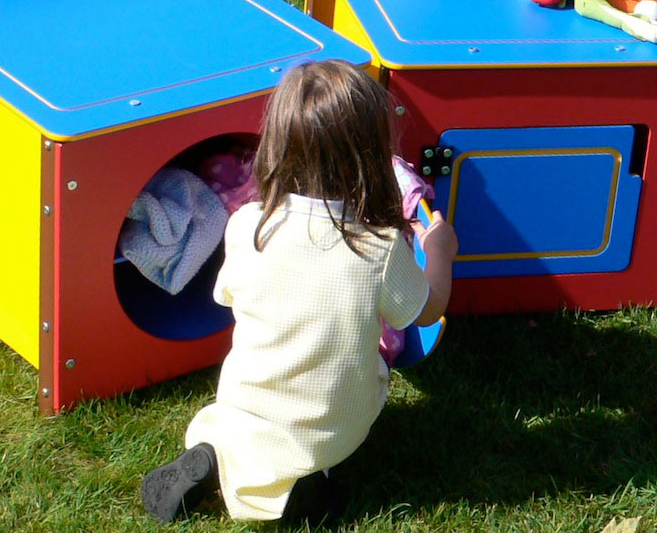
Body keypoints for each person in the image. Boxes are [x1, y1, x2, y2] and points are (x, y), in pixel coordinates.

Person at [141, 59, 458, 524]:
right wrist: (442, 252)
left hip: (244, 401)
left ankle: (217, 454)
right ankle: (311, 478)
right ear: (373, 155)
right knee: (365, 377)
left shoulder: (249, 224)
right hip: (332, 420)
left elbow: (229, 298)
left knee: (239, 417)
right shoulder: (379, 246)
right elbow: (429, 312)